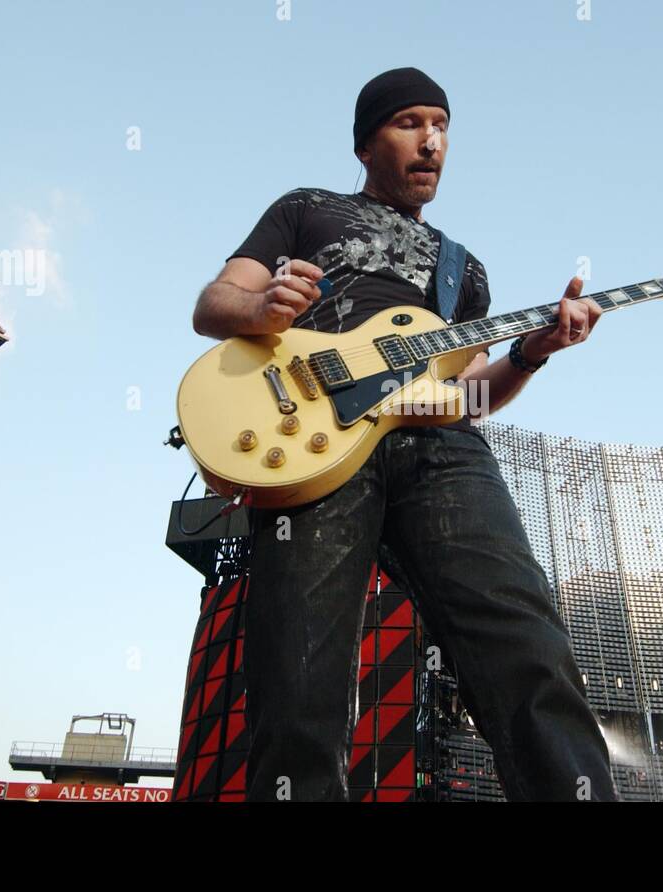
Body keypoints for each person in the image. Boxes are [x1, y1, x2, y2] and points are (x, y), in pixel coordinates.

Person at [191, 67, 618, 802]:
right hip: (313, 440)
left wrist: (529, 353)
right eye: (410, 123)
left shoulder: (465, 271)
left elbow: (469, 396)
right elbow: (213, 303)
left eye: (443, 126)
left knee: (526, 642)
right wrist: (261, 305)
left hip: (440, 446)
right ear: (366, 143)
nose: (432, 142)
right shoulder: (306, 208)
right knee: (298, 672)